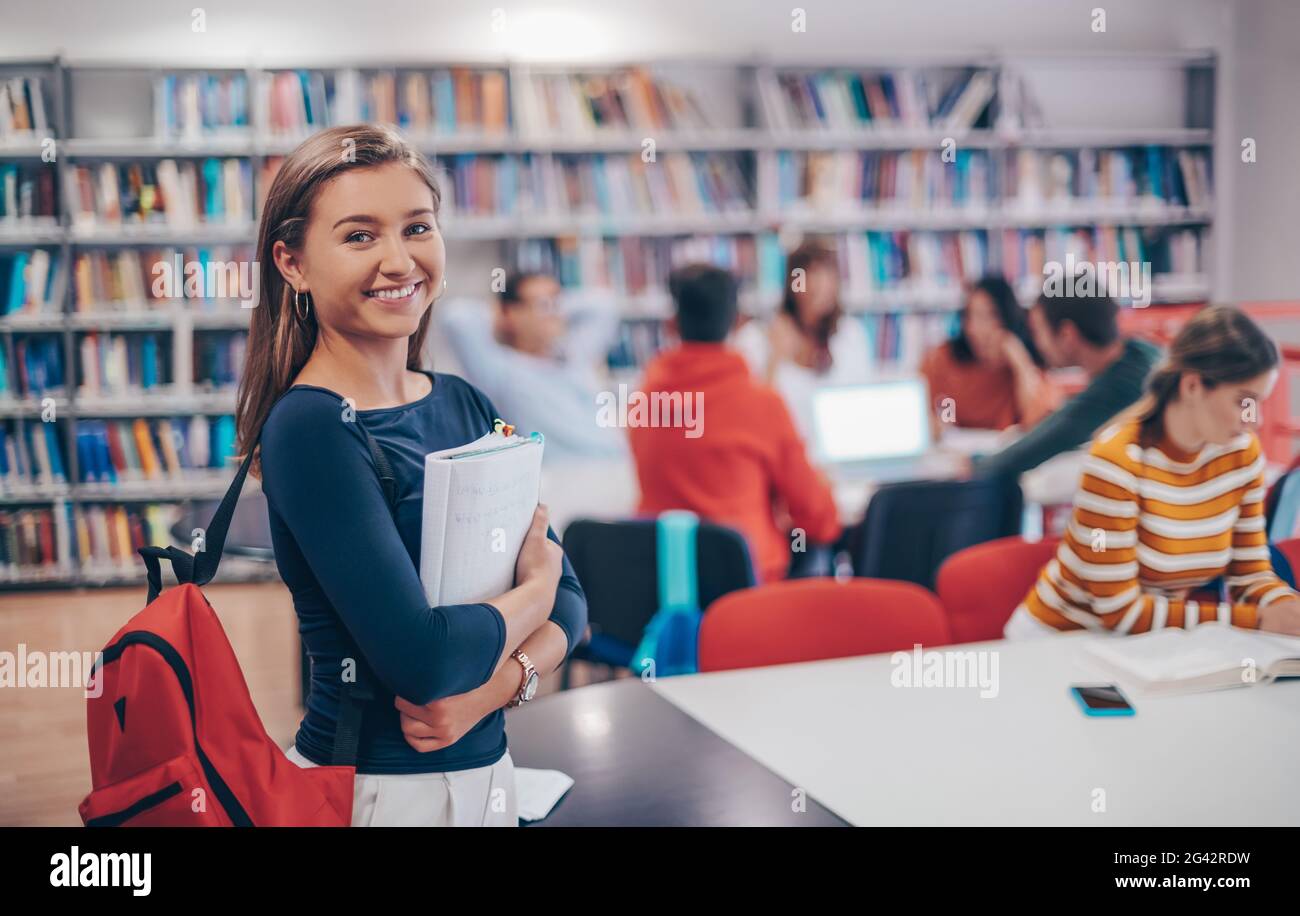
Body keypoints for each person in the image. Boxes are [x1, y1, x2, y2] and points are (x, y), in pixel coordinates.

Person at [233, 125, 588, 826]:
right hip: (374, 794)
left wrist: (492, 693)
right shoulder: (309, 428)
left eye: (416, 227)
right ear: (292, 262)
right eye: (359, 236)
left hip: (489, 774)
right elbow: (424, 659)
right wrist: (535, 590)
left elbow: (575, 607)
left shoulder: (464, 401)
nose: (399, 260)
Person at [1005, 305, 1300, 639]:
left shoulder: (1242, 454)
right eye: (1244, 401)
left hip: (1148, 645)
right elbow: (1120, 613)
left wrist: (1285, 608)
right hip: (1064, 640)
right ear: (1192, 386)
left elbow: (1251, 574)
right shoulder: (1117, 461)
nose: (1256, 420)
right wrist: (1254, 620)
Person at [628, 263, 841, 584]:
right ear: (736, 321)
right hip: (747, 580)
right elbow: (817, 518)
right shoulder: (761, 403)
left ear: (671, 324)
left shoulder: (642, 400)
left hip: (666, 577)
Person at [971, 285, 1161, 479]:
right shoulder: (1141, 353)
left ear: (1066, 335)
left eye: (1038, 331)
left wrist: (976, 464)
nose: (1037, 343)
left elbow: (1045, 441)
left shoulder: (1118, 386)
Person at [437, 271, 628, 462]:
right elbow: (456, 317)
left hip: (617, 462)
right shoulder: (500, 370)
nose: (553, 312)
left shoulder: (574, 354)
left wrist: (553, 305)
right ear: (510, 314)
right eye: (542, 304)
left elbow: (605, 305)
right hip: (566, 478)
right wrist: (501, 314)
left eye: (556, 302)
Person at [734, 240, 873, 439]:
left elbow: (862, 408)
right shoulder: (756, 338)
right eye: (807, 275)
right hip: (782, 454)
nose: (817, 285)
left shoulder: (851, 335)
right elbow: (749, 416)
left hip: (841, 452)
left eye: (826, 275)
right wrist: (775, 358)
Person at [920, 274, 1058, 431]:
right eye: (970, 316)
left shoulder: (1027, 358)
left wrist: (1020, 362)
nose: (976, 329)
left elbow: (1039, 420)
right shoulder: (944, 358)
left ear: (1007, 319)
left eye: (988, 316)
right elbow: (923, 412)